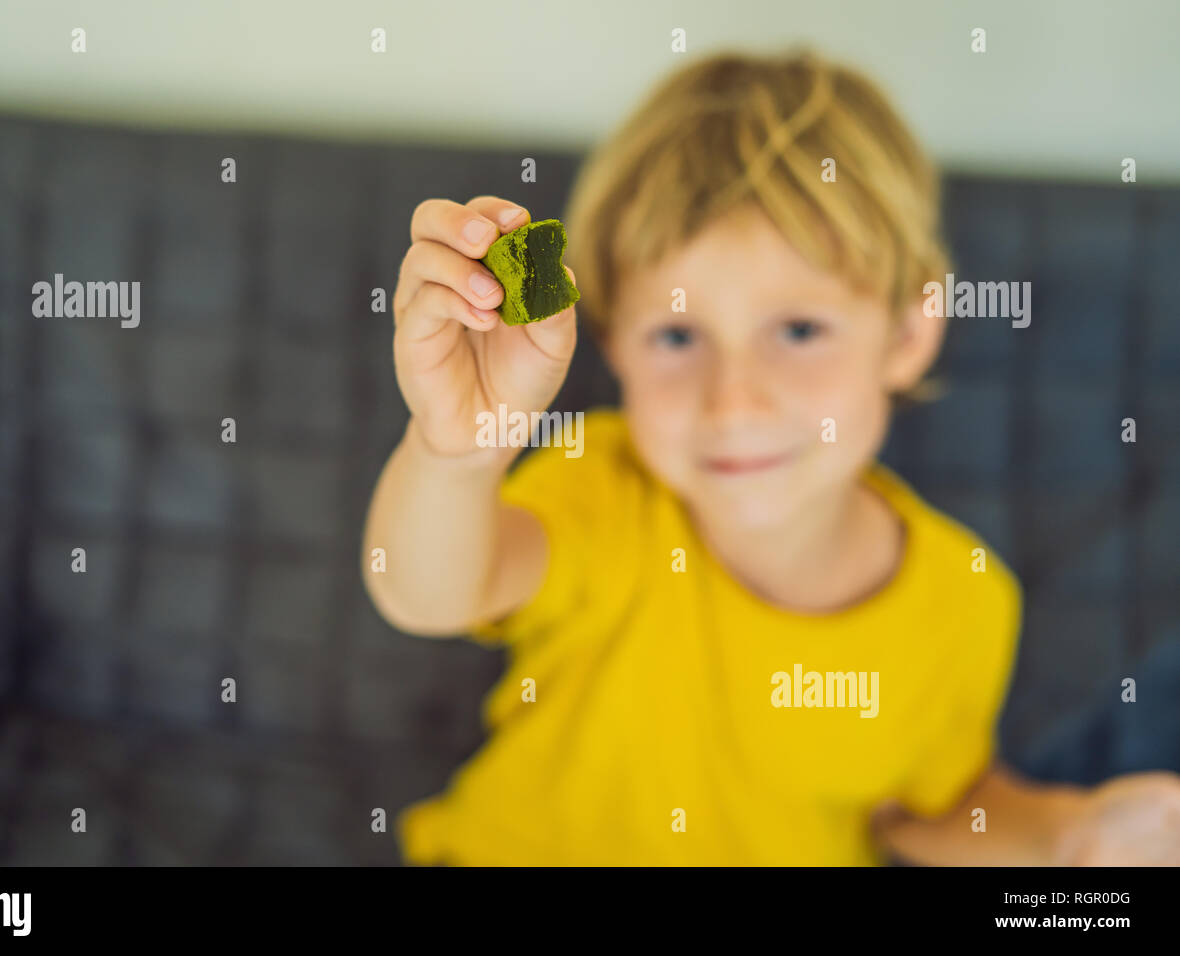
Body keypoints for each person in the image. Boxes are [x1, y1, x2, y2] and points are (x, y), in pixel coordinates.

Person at [363, 50, 1180, 865]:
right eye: (677, 335)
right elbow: (427, 592)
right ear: (614, 344)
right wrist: (459, 451)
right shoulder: (605, 488)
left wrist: (1065, 838)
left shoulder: (964, 600)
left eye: (798, 330)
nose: (735, 401)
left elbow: (922, 805)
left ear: (906, 333)